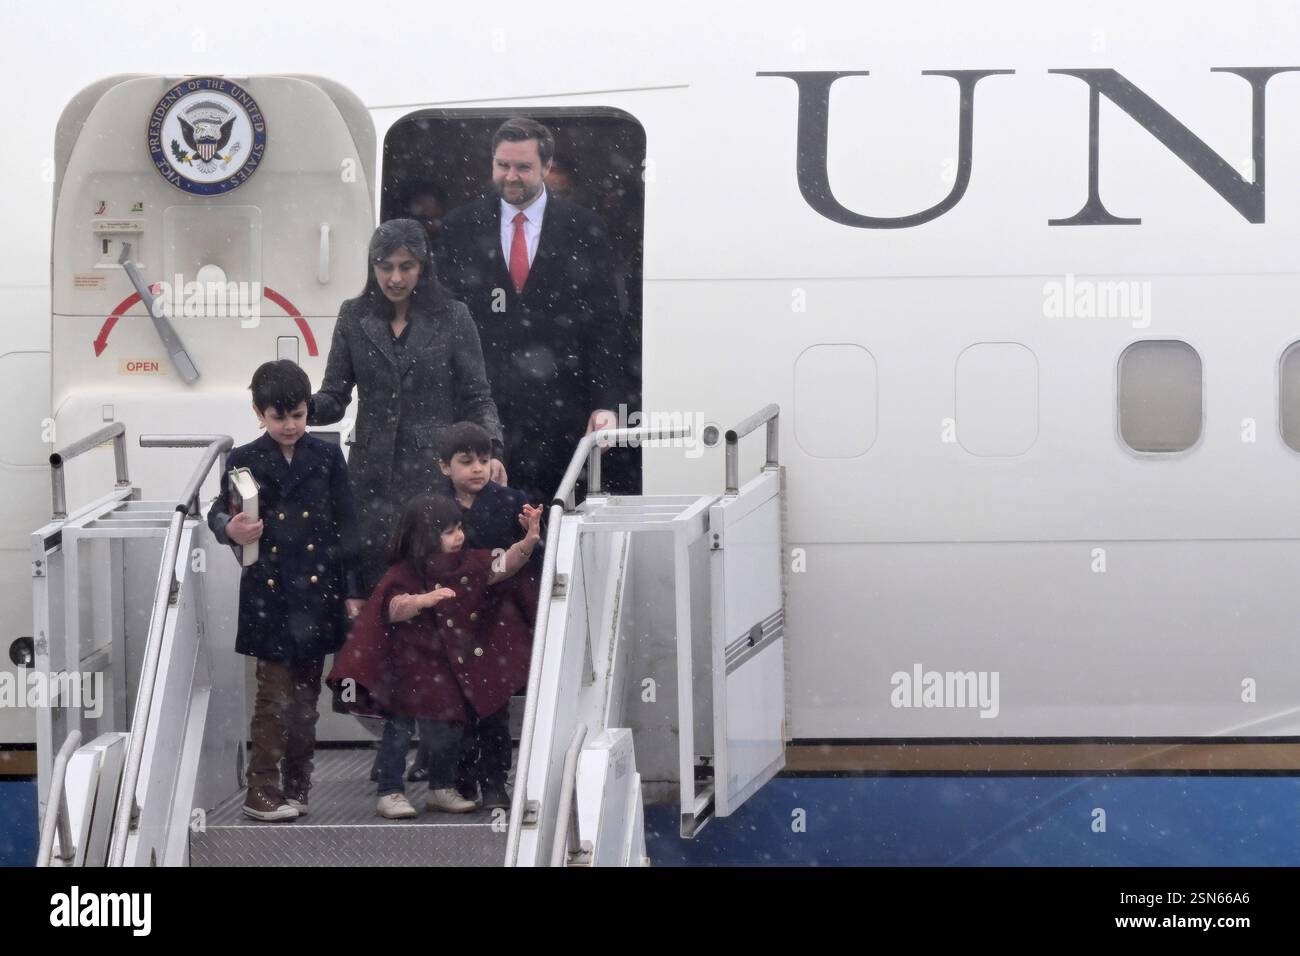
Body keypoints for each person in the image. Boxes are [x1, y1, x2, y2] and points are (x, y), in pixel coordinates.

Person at [435, 117, 629, 505]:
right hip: (484, 418)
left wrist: (606, 403)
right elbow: (445, 325)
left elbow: (606, 326)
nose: (511, 176)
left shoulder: (584, 228)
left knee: (553, 529)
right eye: (502, 165)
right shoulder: (460, 226)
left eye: (523, 167)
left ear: (546, 166)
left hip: (561, 413)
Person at [309, 218, 506, 593]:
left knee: (431, 579)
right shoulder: (353, 315)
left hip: (432, 475)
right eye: (385, 267)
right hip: (369, 479)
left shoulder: (454, 316)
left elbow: (477, 396)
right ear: (373, 267)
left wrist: (492, 450)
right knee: (374, 585)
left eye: (406, 267)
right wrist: (300, 407)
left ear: (423, 267)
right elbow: (334, 398)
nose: (395, 278)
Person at [207, 360, 364, 821]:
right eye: (279, 417)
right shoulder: (243, 459)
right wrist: (229, 528)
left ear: (308, 409)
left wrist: (353, 589)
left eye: (297, 414)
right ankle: (261, 789)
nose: (290, 425)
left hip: (317, 591)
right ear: (259, 413)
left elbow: (347, 523)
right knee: (272, 696)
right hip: (269, 593)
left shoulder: (328, 456)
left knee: (305, 702)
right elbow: (219, 511)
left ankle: (298, 787)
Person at [327, 495, 540, 818]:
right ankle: (390, 791)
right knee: (398, 730)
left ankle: (442, 787)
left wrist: (528, 541)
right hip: (406, 669)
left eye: (459, 529)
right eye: (448, 531)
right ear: (424, 535)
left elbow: (501, 566)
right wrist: (423, 600)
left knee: (448, 731)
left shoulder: (469, 562)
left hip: (444, 668)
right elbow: (392, 608)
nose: (459, 537)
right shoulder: (403, 571)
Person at [404, 421, 541, 805]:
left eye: (485, 459)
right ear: (444, 466)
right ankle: (460, 780)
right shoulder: (430, 506)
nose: (478, 468)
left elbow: (529, 563)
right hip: (447, 621)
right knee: (456, 706)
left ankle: (495, 782)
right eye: (467, 461)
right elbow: (415, 558)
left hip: (496, 620)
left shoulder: (512, 502)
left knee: (494, 705)